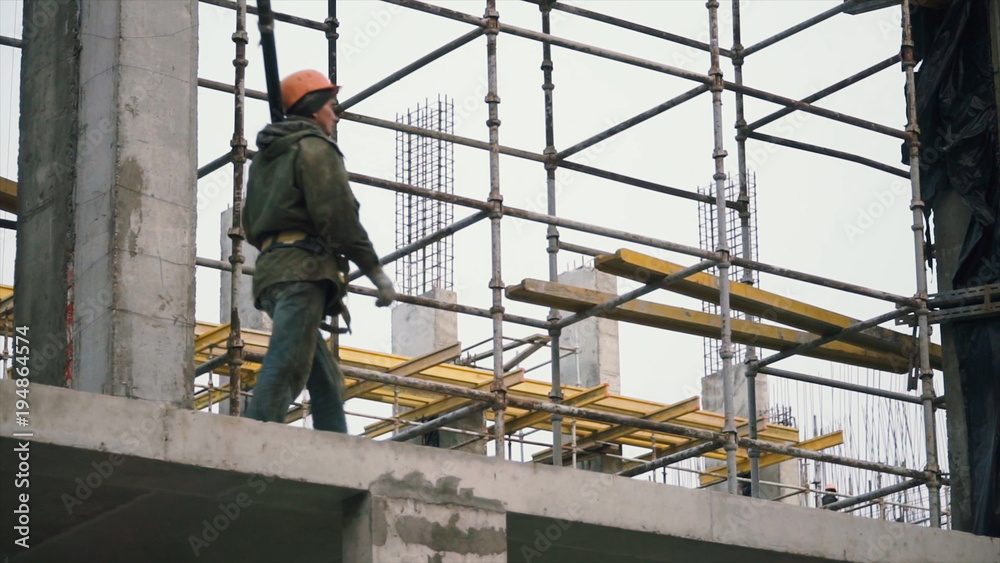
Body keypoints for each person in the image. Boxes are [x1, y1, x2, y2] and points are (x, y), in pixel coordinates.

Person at [242, 69, 397, 433]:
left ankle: (335, 443)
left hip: (272, 272)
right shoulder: (313, 148)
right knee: (289, 363)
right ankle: (253, 440)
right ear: (313, 110)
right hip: (303, 272)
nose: (335, 113)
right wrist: (375, 272)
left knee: (323, 375)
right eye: (331, 105)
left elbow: (251, 225)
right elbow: (338, 217)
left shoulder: (265, 159)